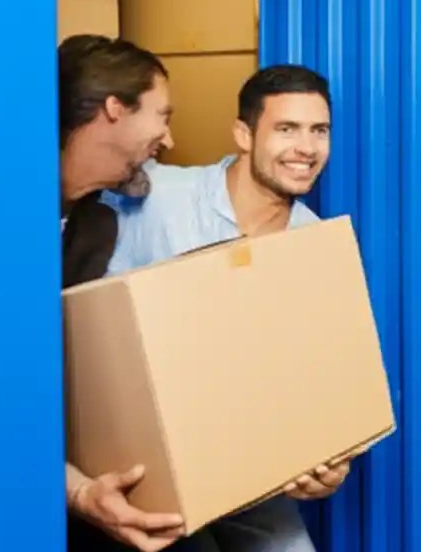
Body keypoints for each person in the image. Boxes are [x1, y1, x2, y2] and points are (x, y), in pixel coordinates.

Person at [101, 64, 349, 551]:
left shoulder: (318, 247)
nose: (306, 148)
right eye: (286, 129)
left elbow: (321, 382)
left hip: (246, 468)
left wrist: (331, 462)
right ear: (243, 133)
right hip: (138, 465)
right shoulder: (157, 200)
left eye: (318, 131)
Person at [57, 34, 186, 552]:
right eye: (162, 115)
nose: (169, 139)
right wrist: (77, 492)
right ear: (115, 109)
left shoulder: (99, 224)